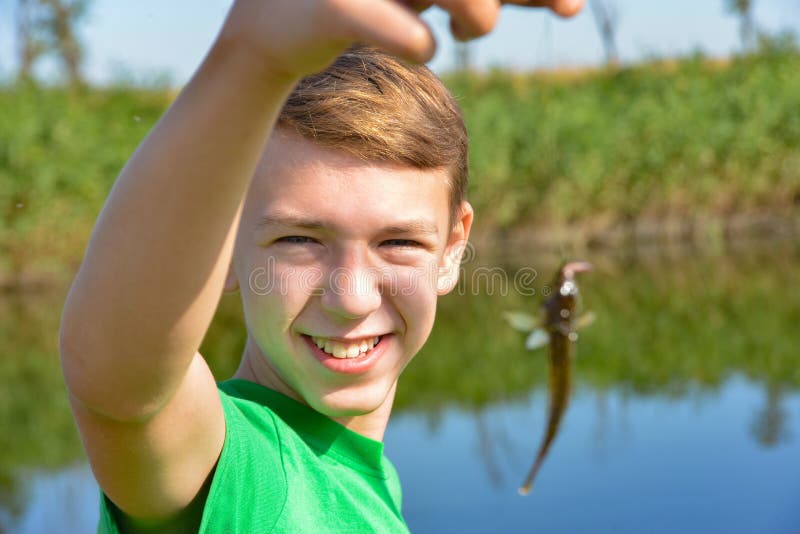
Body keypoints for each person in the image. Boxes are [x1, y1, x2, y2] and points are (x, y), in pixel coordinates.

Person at [59, 1, 583, 532]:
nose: (351, 296)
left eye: (398, 241)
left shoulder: (363, 483)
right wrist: (252, 57)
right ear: (225, 246)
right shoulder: (239, 473)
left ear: (452, 250)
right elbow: (119, 388)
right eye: (299, 239)